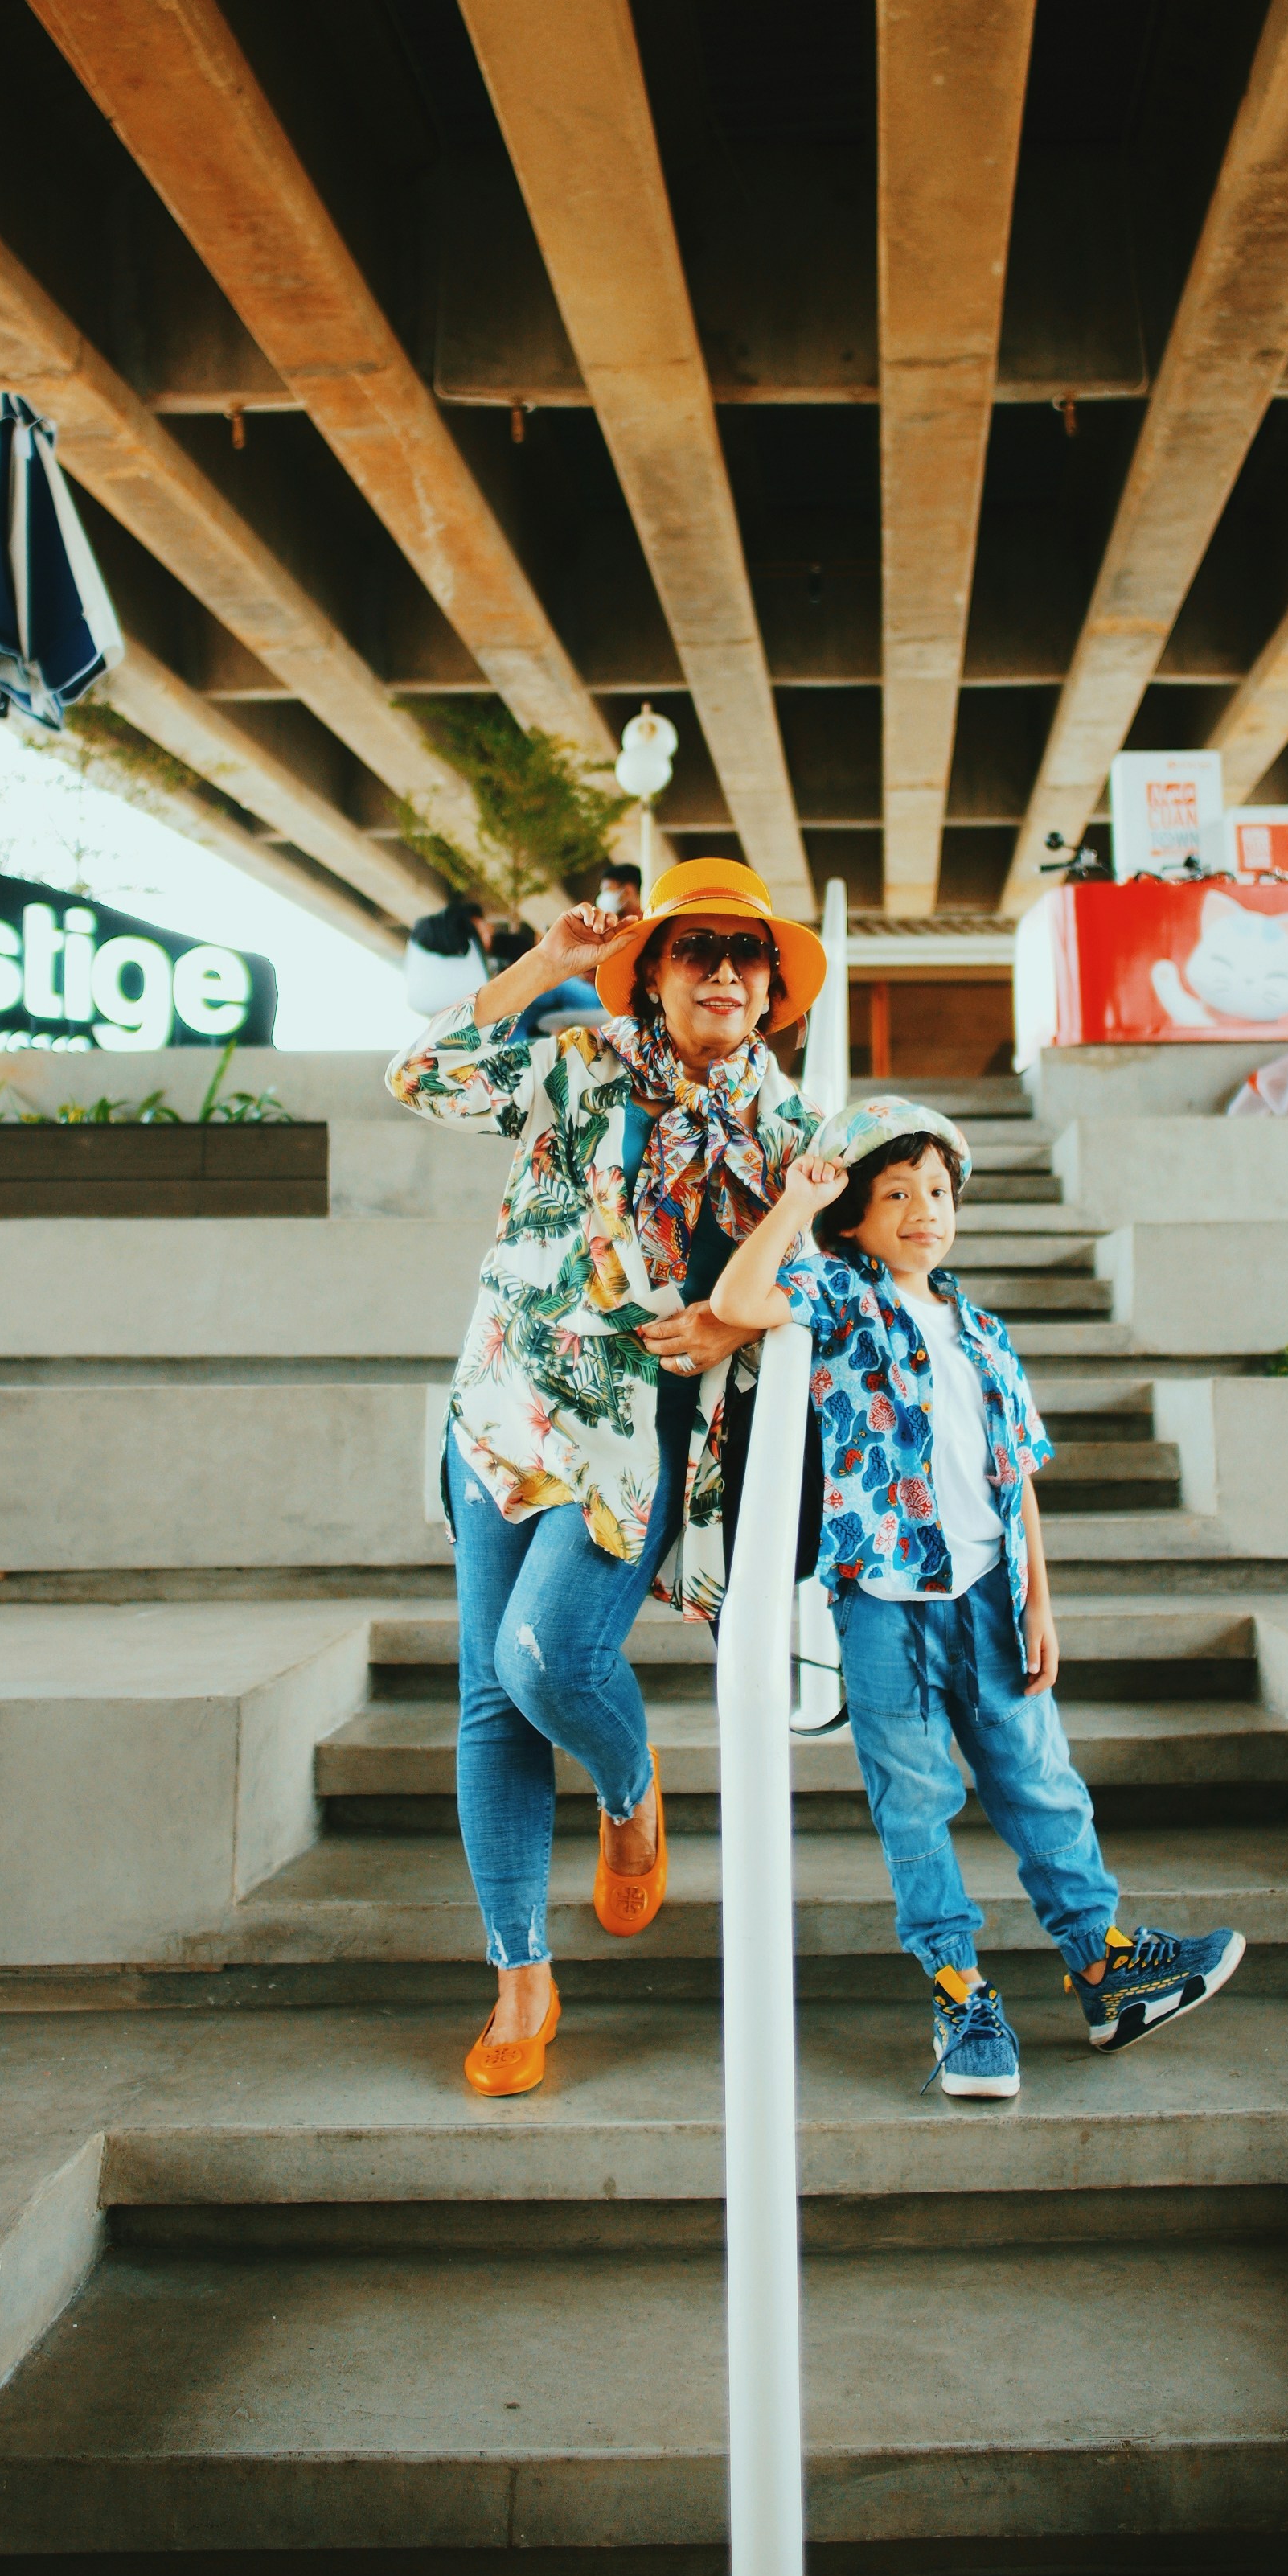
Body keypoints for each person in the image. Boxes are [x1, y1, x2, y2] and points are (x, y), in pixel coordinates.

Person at [388, 857, 827, 2096]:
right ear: (656, 972)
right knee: (487, 1694)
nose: (728, 974)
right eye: (699, 951)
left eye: (751, 956)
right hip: (508, 1419)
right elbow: (421, 1078)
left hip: (646, 1452)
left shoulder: (796, 1132)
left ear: (777, 987)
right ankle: (520, 1976)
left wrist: (745, 1319)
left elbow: (840, 1278)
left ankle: (630, 1794)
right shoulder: (582, 1066)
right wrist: (546, 966)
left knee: (547, 1660)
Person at [712, 1094, 1246, 2098]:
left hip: (991, 1596)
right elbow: (742, 1300)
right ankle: (961, 1993)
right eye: (897, 1192)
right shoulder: (837, 1296)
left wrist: (1041, 1600)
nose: (925, 1208)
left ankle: (1106, 1967)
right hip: (882, 1601)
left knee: (1040, 1778)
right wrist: (796, 1200)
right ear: (855, 1220)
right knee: (913, 1802)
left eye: (939, 1190)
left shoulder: (987, 1332)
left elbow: (1020, 1476)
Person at [509, 863, 645, 1036]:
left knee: (549, 987)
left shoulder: (638, 927)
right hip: (590, 990)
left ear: (628, 891)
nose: (603, 897)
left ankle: (501, 1002)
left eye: (608, 890)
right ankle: (508, 1051)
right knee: (529, 1011)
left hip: (605, 997)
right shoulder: (610, 923)